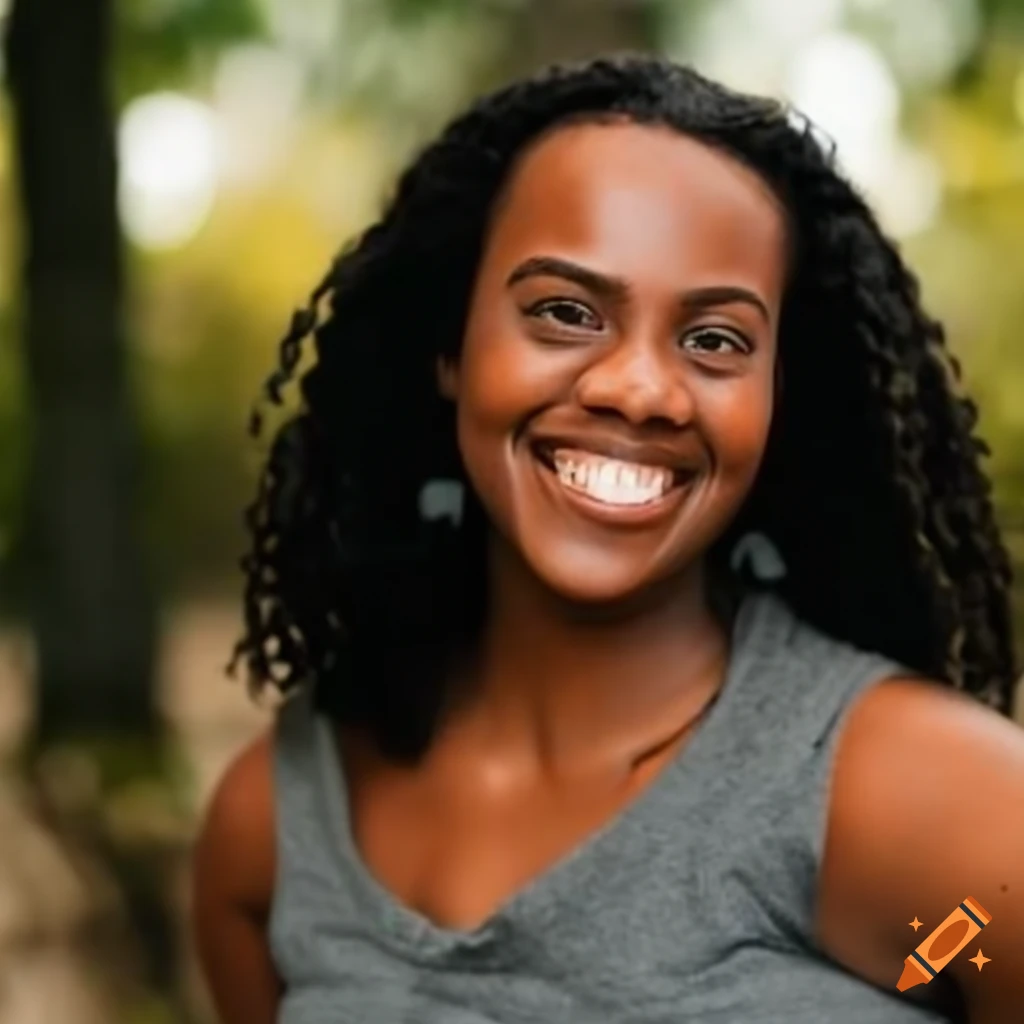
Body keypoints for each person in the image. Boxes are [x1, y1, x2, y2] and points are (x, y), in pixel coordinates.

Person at [191, 55, 1024, 1024]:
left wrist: (922, 981)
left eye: (714, 339)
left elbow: (960, 948)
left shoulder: (952, 821)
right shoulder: (276, 828)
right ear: (450, 348)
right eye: (564, 312)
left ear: (779, 398)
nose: (637, 387)